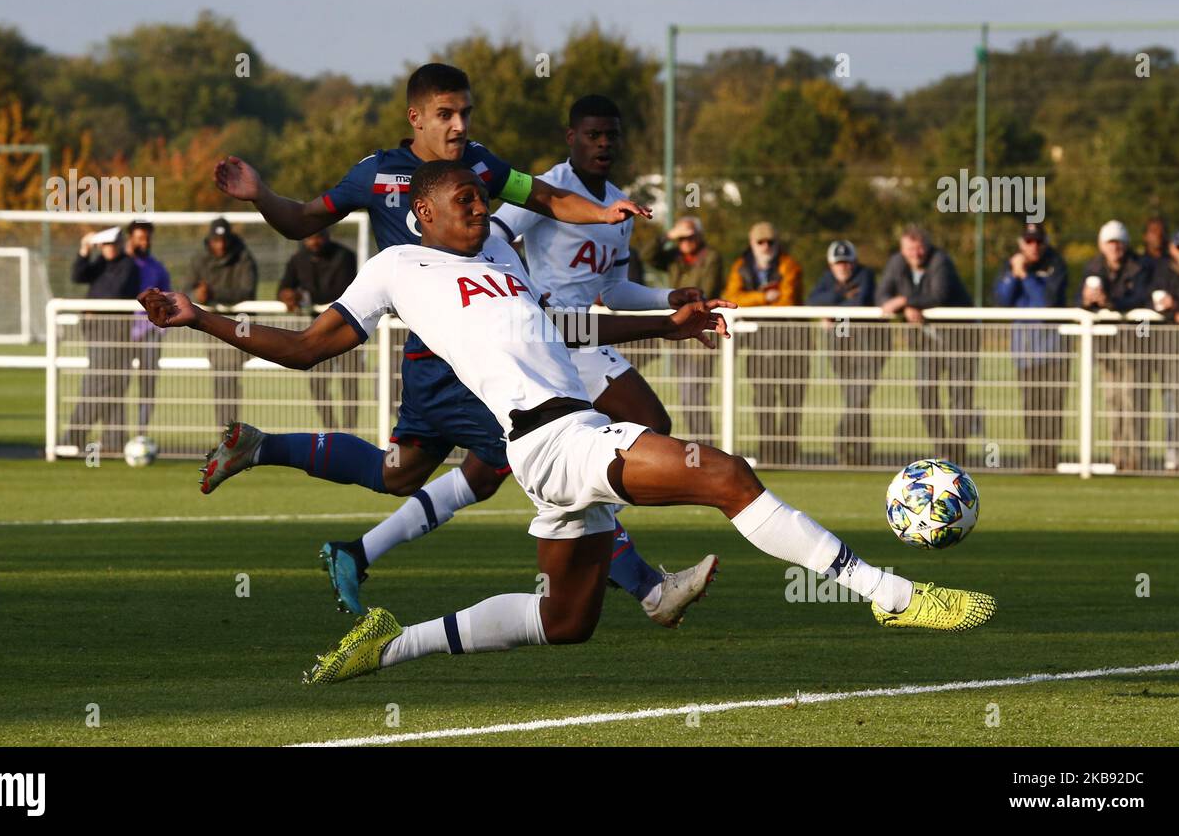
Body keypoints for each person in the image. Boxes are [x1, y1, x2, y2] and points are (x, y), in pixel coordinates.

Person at [138, 160, 997, 686]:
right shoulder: (399, 264)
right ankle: (893, 595)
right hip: (558, 439)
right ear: (427, 214)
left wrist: (669, 321)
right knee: (726, 472)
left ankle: (389, 646)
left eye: (484, 201)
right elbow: (306, 347)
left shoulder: (505, 263)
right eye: (467, 203)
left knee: (566, 622)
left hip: (557, 441)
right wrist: (199, 315)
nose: (483, 211)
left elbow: (571, 328)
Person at [204, 63, 720, 631]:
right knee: (552, 455)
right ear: (416, 118)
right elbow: (302, 220)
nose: (458, 126)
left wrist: (600, 212)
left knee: (400, 473)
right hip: (452, 360)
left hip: (471, 352)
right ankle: (650, 590)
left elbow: (543, 196)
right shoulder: (378, 175)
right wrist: (261, 195)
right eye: (446, 115)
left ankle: (265, 453)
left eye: (466, 113)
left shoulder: (479, 164)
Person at [480, 94, 718, 624]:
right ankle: (631, 571)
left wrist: (666, 298)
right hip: (554, 336)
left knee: (617, 444)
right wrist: (519, 291)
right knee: (649, 426)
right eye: (593, 134)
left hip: (588, 331)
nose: (603, 143)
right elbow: (491, 233)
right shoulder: (546, 189)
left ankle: (625, 567)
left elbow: (612, 286)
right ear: (572, 138)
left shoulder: (620, 205)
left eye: (611, 135)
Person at [877, 226, 977, 466]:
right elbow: (882, 295)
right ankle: (942, 450)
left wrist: (905, 301)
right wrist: (901, 305)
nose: (916, 253)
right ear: (903, 249)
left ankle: (958, 453)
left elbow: (939, 294)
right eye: (911, 248)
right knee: (925, 391)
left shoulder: (941, 261)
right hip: (925, 342)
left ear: (928, 246)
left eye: (920, 247)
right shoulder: (896, 263)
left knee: (960, 395)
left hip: (959, 337)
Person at [723, 221, 807, 466]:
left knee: (792, 398)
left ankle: (788, 454)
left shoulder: (789, 265)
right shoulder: (741, 266)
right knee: (763, 398)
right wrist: (763, 297)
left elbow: (787, 300)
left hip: (791, 342)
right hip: (757, 343)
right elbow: (731, 298)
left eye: (771, 242)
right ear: (752, 244)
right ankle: (768, 451)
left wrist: (755, 302)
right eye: (761, 242)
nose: (766, 246)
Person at [992, 224, 1069, 471]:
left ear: (1045, 242)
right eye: (1029, 241)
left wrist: (1026, 276)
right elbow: (1002, 300)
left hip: (1054, 352)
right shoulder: (1010, 265)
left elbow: (1045, 303)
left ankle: (1049, 461)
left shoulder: (1056, 265)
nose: (1033, 246)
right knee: (1032, 409)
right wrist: (1014, 275)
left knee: (1052, 409)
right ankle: (1036, 460)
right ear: (1021, 243)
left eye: (1038, 241)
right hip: (1025, 353)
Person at [1079, 220, 1153, 471]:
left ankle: (1135, 459)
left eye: (1119, 242)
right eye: (1111, 242)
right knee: (1113, 401)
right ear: (1102, 245)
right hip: (1107, 346)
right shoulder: (1093, 267)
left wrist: (1111, 302)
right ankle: (1118, 457)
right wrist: (1088, 300)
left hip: (1134, 344)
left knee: (1134, 400)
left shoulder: (1139, 267)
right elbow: (1082, 300)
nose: (1116, 247)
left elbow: (1141, 297)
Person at [64, 226, 140, 455]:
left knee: (99, 385)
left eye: (112, 244)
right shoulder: (101, 264)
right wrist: (84, 251)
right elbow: (77, 276)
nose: (108, 249)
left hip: (114, 333)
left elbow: (115, 293)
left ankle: (73, 439)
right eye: (105, 245)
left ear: (119, 244)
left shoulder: (128, 265)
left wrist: (92, 309)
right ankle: (114, 440)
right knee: (111, 385)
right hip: (97, 332)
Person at [647, 216, 723, 442]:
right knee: (686, 393)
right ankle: (701, 444)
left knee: (694, 392)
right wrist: (668, 236)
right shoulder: (674, 258)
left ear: (700, 236)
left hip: (699, 330)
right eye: (682, 238)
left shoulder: (711, 258)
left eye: (690, 236)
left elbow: (705, 291)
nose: (686, 241)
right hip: (680, 332)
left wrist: (684, 307)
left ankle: (705, 445)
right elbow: (647, 255)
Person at [808, 240, 882, 466]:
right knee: (855, 398)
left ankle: (844, 443)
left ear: (854, 263)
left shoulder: (866, 275)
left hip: (866, 347)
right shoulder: (827, 280)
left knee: (859, 397)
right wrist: (842, 296)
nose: (843, 268)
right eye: (838, 264)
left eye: (847, 263)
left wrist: (833, 305)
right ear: (831, 265)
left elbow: (860, 303)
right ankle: (859, 453)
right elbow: (812, 301)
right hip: (839, 349)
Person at [277, 230, 359, 432]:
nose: (314, 241)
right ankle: (332, 432)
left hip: (347, 330)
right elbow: (282, 288)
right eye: (310, 237)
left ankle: (349, 433)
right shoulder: (297, 259)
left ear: (327, 236)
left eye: (318, 237)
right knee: (318, 385)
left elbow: (340, 294)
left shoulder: (345, 256)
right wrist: (288, 295)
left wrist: (303, 296)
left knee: (350, 384)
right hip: (317, 334)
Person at [185, 217, 258, 427]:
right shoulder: (199, 259)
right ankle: (226, 432)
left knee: (227, 379)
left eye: (223, 240)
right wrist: (197, 295)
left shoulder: (243, 256)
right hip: (211, 327)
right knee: (222, 380)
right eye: (216, 240)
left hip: (239, 325)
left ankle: (229, 432)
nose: (220, 245)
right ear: (210, 240)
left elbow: (247, 291)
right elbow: (187, 289)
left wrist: (213, 293)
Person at [1149, 227, 1179, 471]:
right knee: (1174, 404)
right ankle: (1176, 455)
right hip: (1172, 348)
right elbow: (1150, 302)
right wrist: (1174, 310)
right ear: (1171, 249)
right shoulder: (1162, 272)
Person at [124, 220, 170, 438]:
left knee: (147, 384)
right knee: (116, 383)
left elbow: (168, 298)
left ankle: (140, 435)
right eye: (140, 238)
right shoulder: (120, 264)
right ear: (130, 239)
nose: (144, 243)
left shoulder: (156, 267)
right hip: (120, 333)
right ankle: (114, 434)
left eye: (147, 238)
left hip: (149, 333)